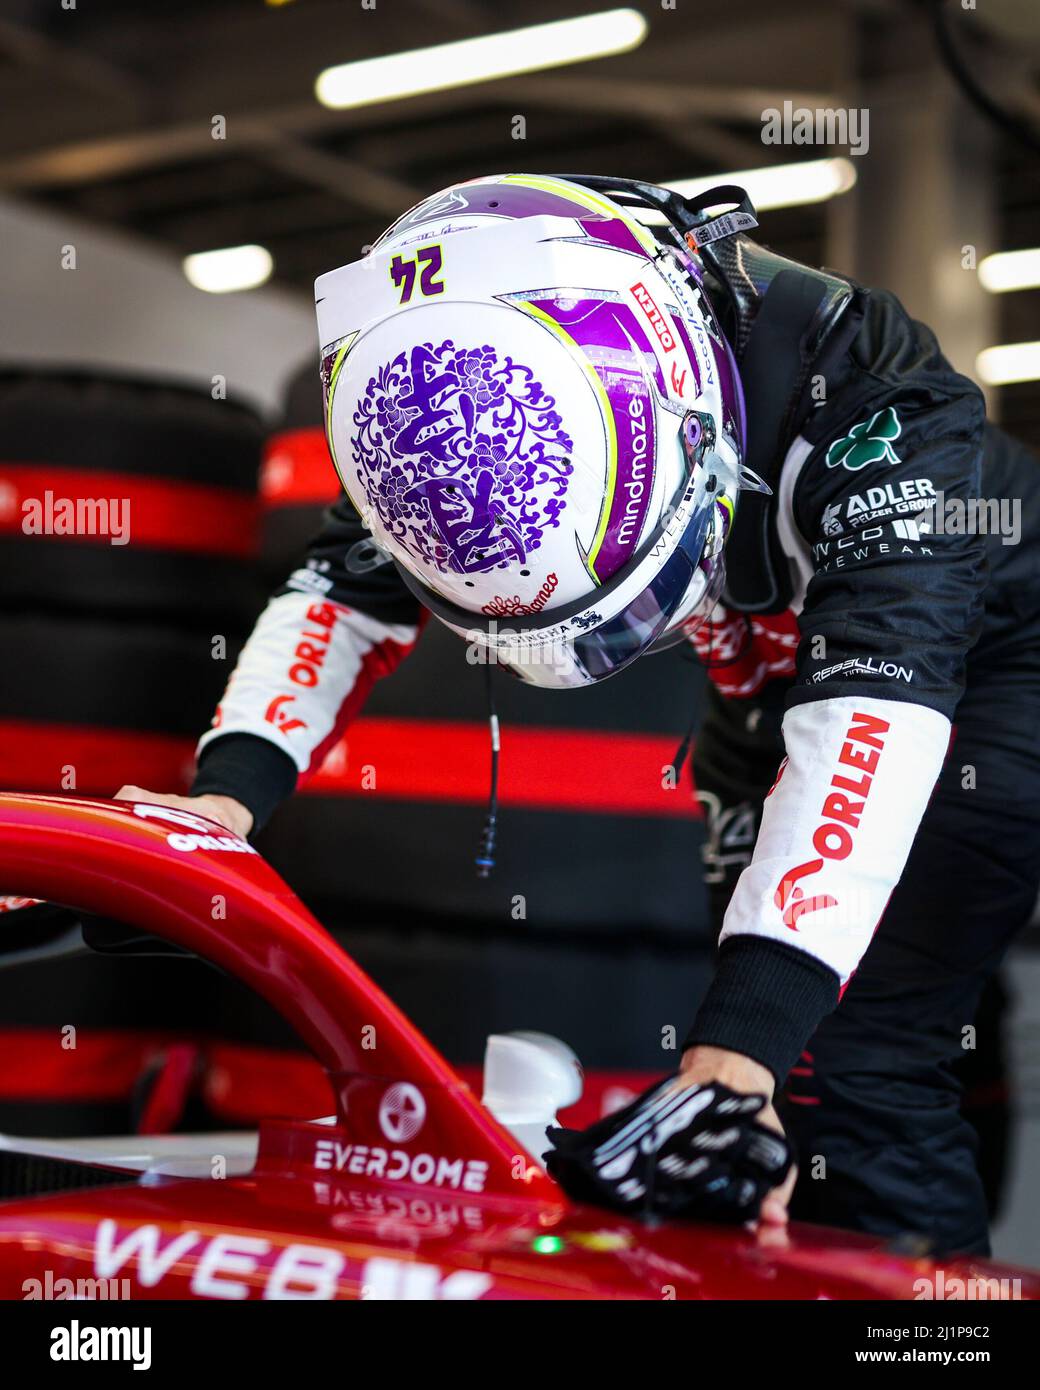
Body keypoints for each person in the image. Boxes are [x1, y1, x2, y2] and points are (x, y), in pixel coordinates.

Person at [117, 173, 1040, 1253]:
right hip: (769, 678)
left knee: (840, 1051)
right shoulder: (438, 405)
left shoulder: (876, 404)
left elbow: (873, 708)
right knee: (779, 1080)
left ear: (683, 413)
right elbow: (336, 593)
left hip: (978, 663)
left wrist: (734, 1056)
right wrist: (219, 805)